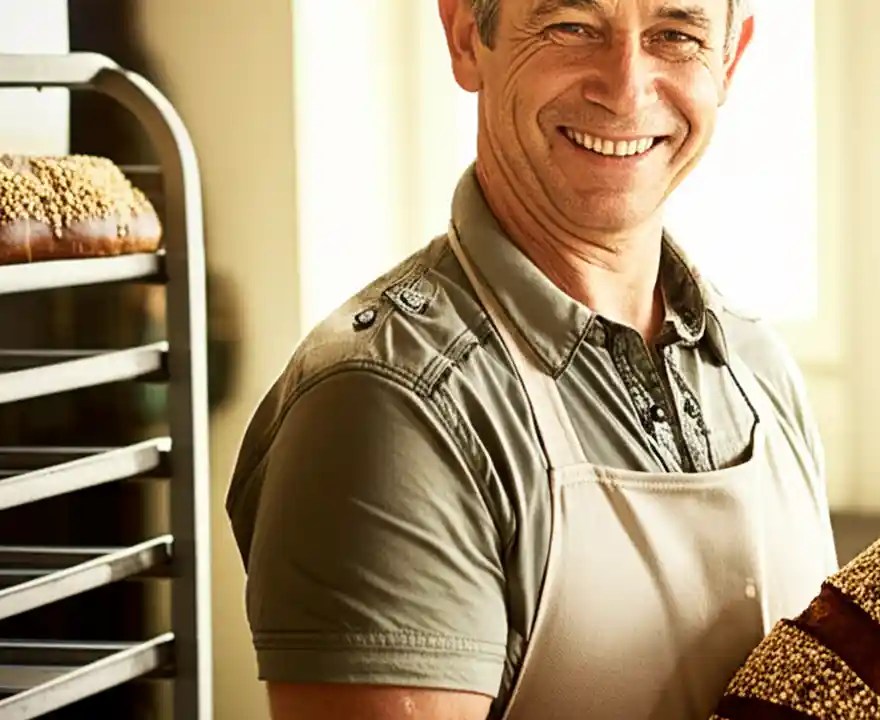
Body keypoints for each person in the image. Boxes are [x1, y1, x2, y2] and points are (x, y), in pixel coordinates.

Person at [225, 0, 838, 718]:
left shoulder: (760, 371)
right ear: (464, 36)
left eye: (677, 35)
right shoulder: (384, 410)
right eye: (571, 25)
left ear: (729, 59)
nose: (625, 85)